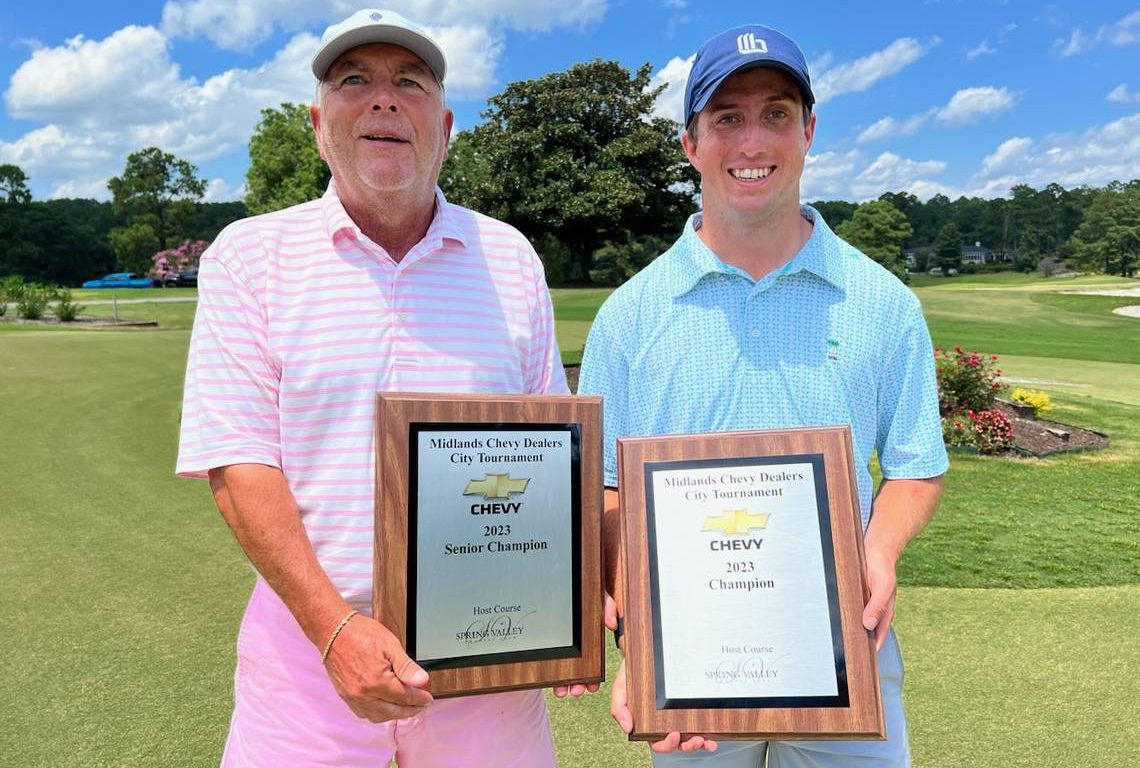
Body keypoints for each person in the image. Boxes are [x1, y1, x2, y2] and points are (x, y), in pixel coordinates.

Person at [177, 9, 583, 766]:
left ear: (447, 122)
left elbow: (551, 460)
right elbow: (237, 466)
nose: (384, 99)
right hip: (306, 654)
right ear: (317, 120)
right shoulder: (249, 256)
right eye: (354, 80)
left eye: (410, 82)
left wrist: (564, 609)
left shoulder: (510, 258)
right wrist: (335, 630)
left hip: (490, 655)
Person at [578, 23, 948, 767]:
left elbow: (915, 464)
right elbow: (607, 489)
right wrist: (640, 633)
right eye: (727, 118)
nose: (753, 142)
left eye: (777, 114)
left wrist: (880, 551)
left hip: (847, 645)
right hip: (688, 660)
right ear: (690, 143)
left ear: (809, 131)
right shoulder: (630, 315)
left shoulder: (885, 302)